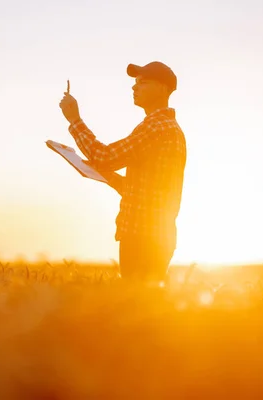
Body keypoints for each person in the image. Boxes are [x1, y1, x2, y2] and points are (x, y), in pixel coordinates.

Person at [59, 61, 187, 283]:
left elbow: (105, 157)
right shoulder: (164, 127)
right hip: (151, 234)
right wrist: (107, 177)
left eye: (143, 82)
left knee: (139, 305)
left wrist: (74, 120)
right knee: (146, 305)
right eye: (135, 83)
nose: (134, 88)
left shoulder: (157, 127)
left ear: (164, 89)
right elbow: (146, 190)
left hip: (144, 236)